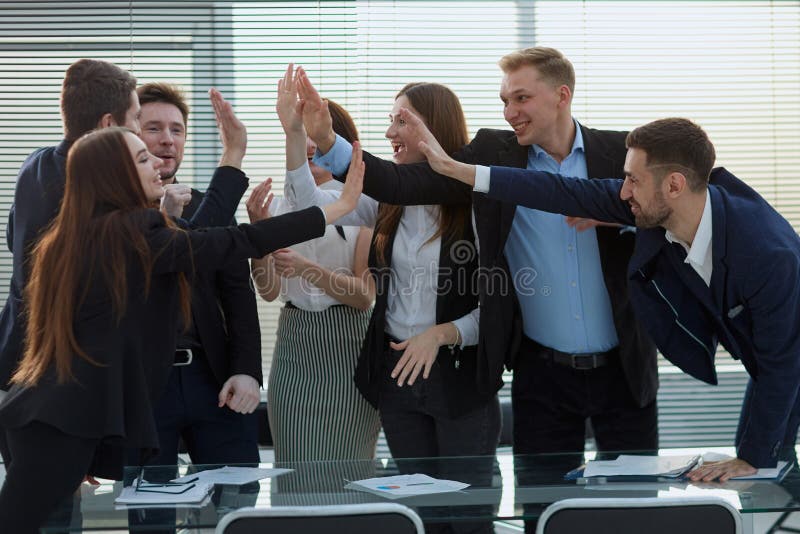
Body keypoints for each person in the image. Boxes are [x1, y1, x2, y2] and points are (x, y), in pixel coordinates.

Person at [299, 48, 658, 467]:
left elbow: (678, 218)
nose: (510, 112)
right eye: (504, 100)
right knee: (544, 513)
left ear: (562, 95)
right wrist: (326, 141)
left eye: (521, 98)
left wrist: (624, 221)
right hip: (541, 376)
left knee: (636, 505)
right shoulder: (492, 153)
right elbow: (401, 184)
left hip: (625, 370)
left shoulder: (623, 154)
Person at [0, 125, 365, 533]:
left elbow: (212, 238)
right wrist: (337, 207)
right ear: (113, 175)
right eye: (142, 158)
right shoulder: (130, 233)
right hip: (57, 427)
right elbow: (230, 241)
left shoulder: (87, 231)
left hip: (45, 420)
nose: (157, 162)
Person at [404, 112, 800, 482]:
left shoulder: (766, 255)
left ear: (674, 184)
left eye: (632, 180)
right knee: (764, 466)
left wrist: (752, 456)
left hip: (785, 363)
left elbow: (783, 365)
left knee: (765, 471)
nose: (622, 191)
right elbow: (559, 190)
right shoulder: (672, 204)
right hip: (771, 365)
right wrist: (460, 171)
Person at [287, 65, 499, 534]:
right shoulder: (385, 201)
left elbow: (502, 311)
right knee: (417, 517)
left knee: (466, 518)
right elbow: (314, 205)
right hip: (398, 380)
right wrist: (301, 135)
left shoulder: (477, 203)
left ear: (434, 128)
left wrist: (442, 335)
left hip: (459, 379)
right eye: (390, 120)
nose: (389, 132)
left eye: (402, 120)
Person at [247, 68, 379, 462]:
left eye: (316, 147)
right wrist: (259, 240)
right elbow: (269, 292)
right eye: (299, 140)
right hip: (295, 343)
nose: (309, 155)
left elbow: (364, 298)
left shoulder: (363, 207)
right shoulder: (281, 207)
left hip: (350, 345)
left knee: (352, 467)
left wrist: (307, 269)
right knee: (294, 464)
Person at [135, 82, 261, 469]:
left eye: (177, 130)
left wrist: (246, 371)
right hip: (144, 387)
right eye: (153, 128)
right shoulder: (114, 214)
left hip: (214, 380)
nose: (167, 140)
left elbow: (238, 296)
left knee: (235, 498)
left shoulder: (211, 205)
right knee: (151, 513)